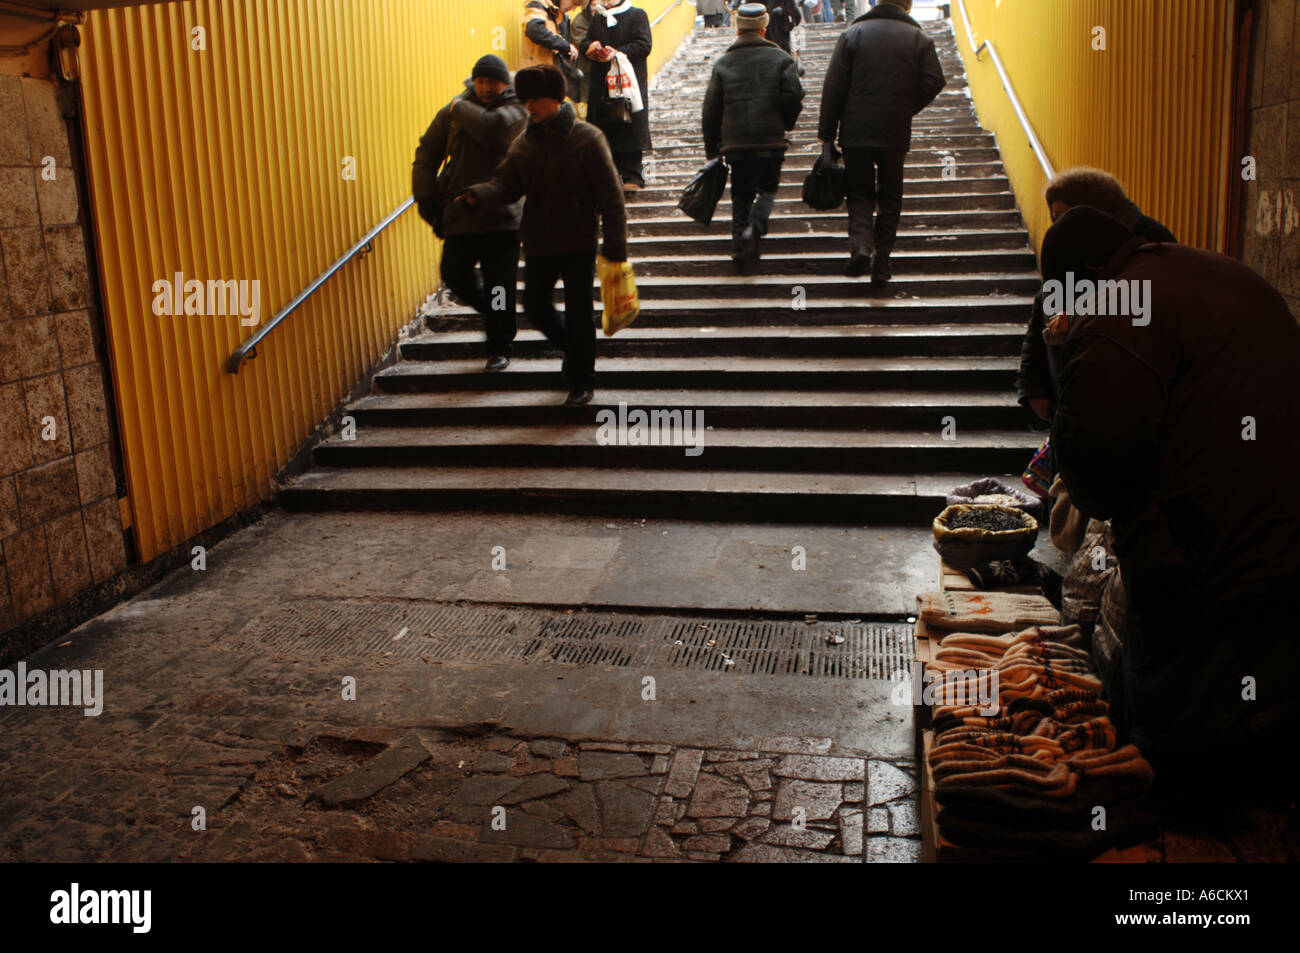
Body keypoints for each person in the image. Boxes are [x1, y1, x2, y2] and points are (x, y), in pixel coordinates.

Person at [1043, 206, 1300, 808]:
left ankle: (1179, 870)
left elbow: (1096, 464)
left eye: (1063, 292)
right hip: (1279, 536)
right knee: (1265, 717)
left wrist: (1064, 359)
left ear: (1086, 273)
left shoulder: (1120, 306)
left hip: (1204, 556)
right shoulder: (1227, 274)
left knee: (1180, 746)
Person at [456, 65, 628, 407]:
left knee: (580, 312)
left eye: (536, 99)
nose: (530, 106)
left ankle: (581, 380)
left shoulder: (587, 138)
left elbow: (611, 197)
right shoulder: (524, 143)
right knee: (534, 306)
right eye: (526, 99)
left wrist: (615, 247)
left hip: (578, 241)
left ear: (557, 99)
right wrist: (479, 194)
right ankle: (573, 349)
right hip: (538, 242)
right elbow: (506, 185)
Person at [1016, 167, 1176, 422]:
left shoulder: (1149, 244)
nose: (1059, 228)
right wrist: (1032, 385)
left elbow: (1149, 312)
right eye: (1055, 218)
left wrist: (1080, 317)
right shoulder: (1071, 250)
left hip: (1127, 410)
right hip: (1072, 405)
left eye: (1064, 217)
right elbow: (1046, 301)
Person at [412, 55, 528, 372]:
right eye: (480, 81)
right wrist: (426, 199)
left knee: (500, 286)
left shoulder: (519, 108)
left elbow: (495, 131)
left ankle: (500, 344)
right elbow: (426, 155)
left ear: (505, 83)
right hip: (461, 214)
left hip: (503, 215)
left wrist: (458, 106)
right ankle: (495, 314)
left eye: (492, 81)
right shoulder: (451, 115)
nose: (485, 88)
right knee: (454, 274)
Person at [818, 0, 944, 283]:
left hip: (855, 131)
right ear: (907, 6)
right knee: (890, 197)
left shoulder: (853, 34)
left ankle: (861, 245)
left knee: (859, 192)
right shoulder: (918, 38)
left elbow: (834, 85)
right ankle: (882, 262)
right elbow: (934, 79)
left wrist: (827, 133)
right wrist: (906, 106)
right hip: (893, 130)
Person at [703, 3, 805, 271]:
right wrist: (786, 122)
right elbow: (794, 95)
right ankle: (754, 229)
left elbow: (710, 109)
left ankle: (739, 245)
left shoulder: (723, 62)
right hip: (770, 139)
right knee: (768, 190)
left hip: (735, 142)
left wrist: (712, 147)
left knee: (741, 192)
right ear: (764, 27)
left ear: (738, 29)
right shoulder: (781, 59)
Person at [583, 2, 654, 193]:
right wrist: (591, 47)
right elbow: (585, 41)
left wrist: (617, 53)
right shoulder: (598, 18)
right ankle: (610, 177)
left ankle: (633, 176)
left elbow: (644, 44)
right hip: (603, 85)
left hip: (628, 83)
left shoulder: (637, 15)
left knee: (629, 125)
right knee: (606, 126)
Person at [522, 0, 584, 102]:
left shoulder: (561, 14)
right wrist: (565, 45)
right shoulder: (538, 7)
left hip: (551, 78)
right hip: (537, 75)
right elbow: (534, 30)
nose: (573, 9)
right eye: (574, 4)